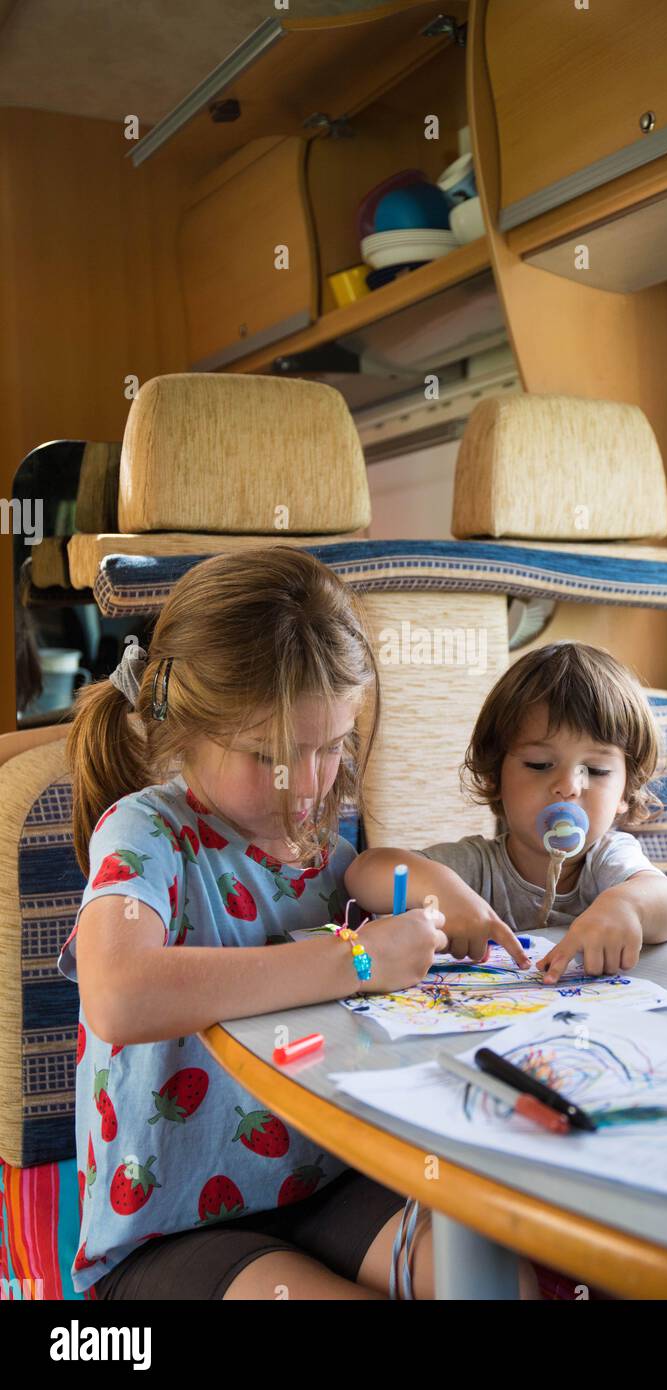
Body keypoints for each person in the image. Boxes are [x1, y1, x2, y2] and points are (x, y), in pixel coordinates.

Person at [59, 544, 535, 1301]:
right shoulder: (145, 833)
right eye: (273, 755)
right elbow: (118, 995)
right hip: (170, 1228)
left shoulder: (321, 845)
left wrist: (430, 889)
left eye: (333, 745)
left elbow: (367, 882)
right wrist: (357, 961)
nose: (310, 783)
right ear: (187, 730)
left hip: (323, 1186)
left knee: (492, 1280)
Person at [346, 641, 667, 982]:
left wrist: (628, 906)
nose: (569, 786)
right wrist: (444, 889)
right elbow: (363, 873)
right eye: (540, 764)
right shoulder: (478, 867)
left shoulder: (609, 860)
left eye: (596, 770)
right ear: (495, 777)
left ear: (625, 792)